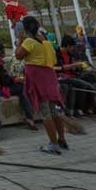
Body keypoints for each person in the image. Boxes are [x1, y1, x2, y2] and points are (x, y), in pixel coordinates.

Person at [16, 17, 67, 154]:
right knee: (54, 110)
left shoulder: (29, 41)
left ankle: (53, 144)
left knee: (46, 112)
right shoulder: (46, 41)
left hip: (38, 79)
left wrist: (19, 40)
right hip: (49, 77)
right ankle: (61, 139)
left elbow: (18, 55)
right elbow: (53, 60)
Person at [0, 42, 37, 131]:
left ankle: (30, 117)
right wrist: (15, 79)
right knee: (23, 88)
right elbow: (4, 81)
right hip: (0, 88)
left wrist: (14, 79)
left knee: (22, 88)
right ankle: (30, 117)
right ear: (0, 52)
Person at [55, 35, 96, 117]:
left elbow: (72, 68)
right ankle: (72, 111)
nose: (73, 49)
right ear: (68, 46)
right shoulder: (56, 54)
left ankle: (84, 109)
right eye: (72, 47)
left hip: (72, 76)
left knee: (91, 79)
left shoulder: (70, 54)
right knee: (84, 85)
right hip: (61, 77)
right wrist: (74, 65)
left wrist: (77, 67)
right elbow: (58, 68)